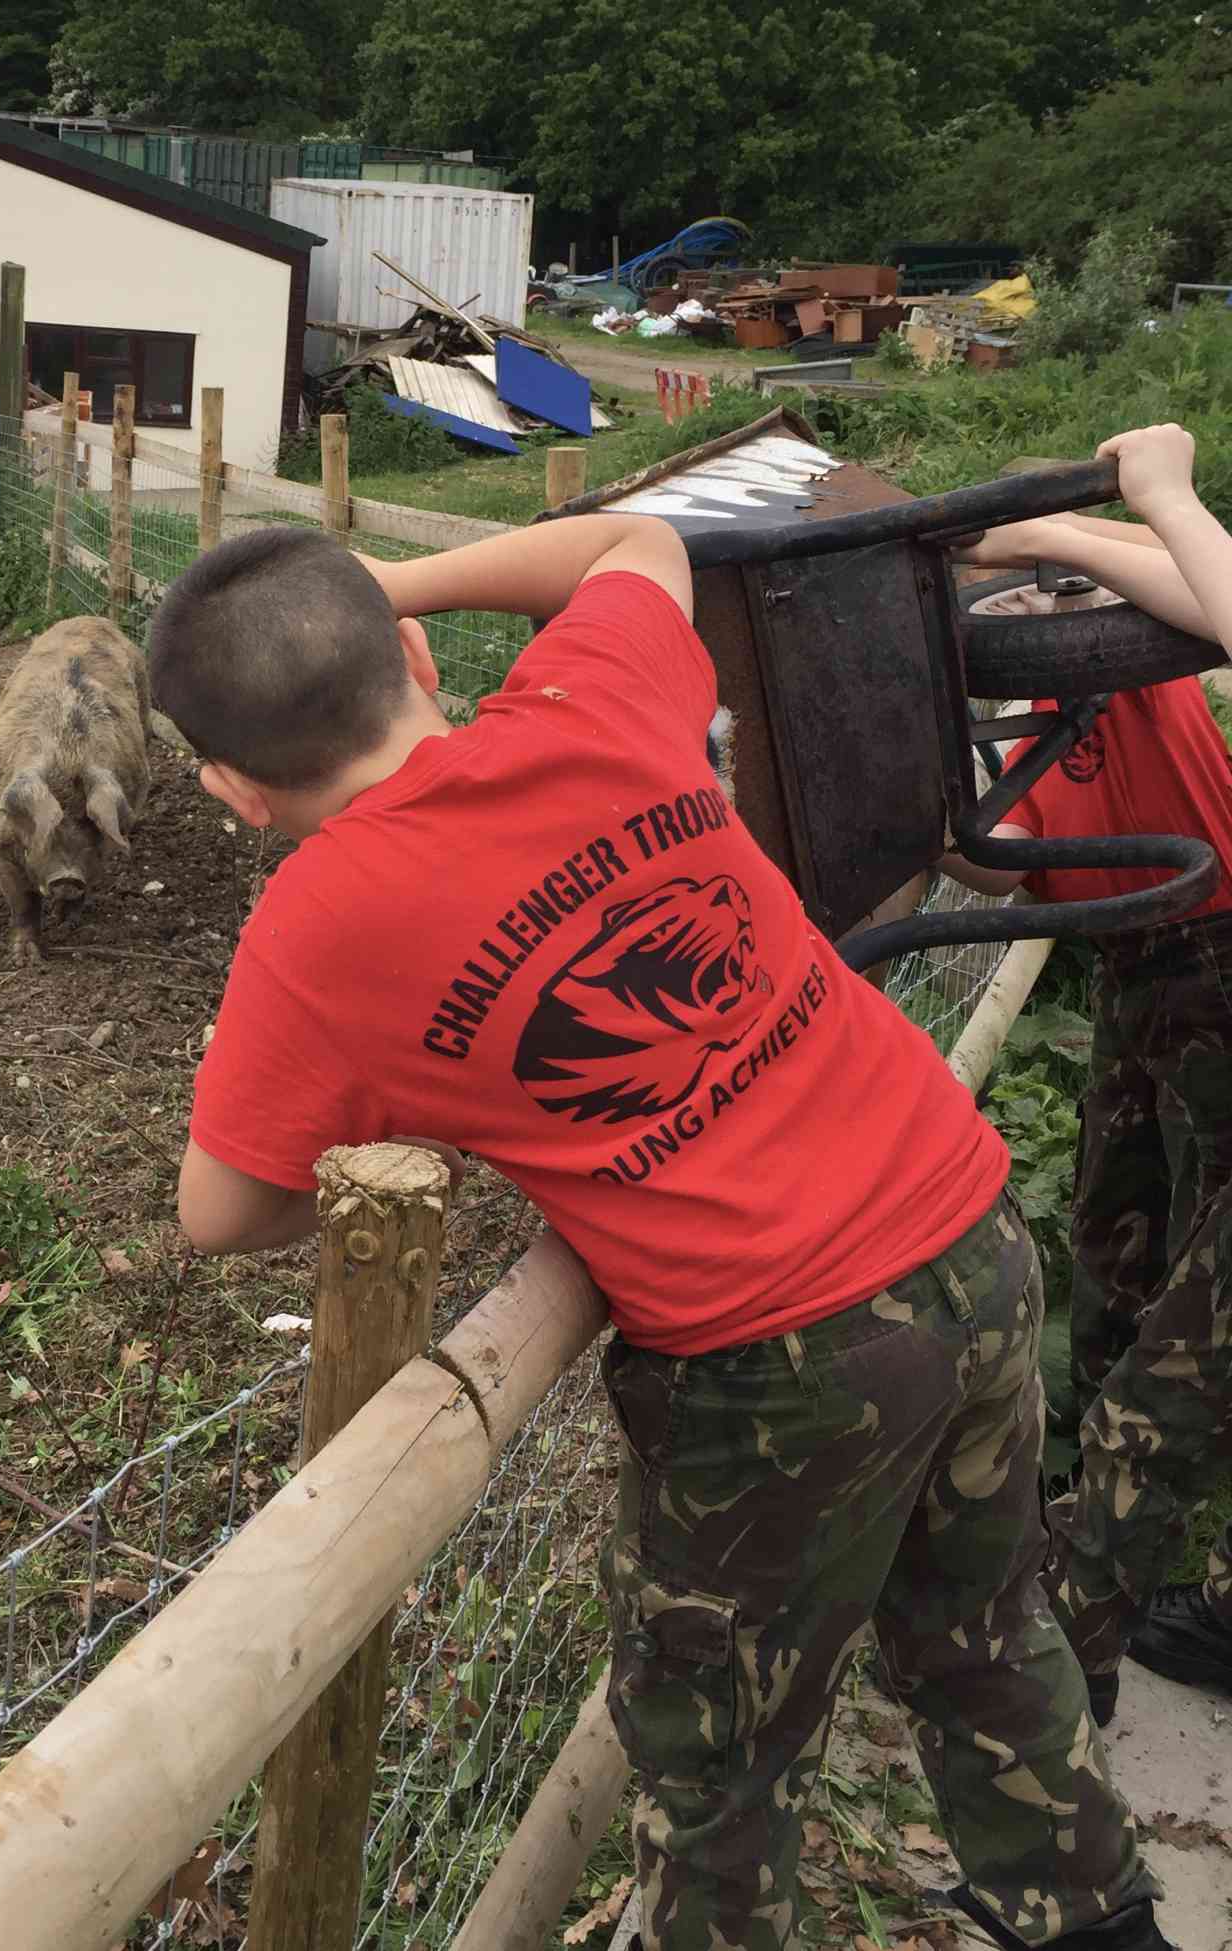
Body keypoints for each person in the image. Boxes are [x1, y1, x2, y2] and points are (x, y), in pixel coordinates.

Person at [148, 509, 1172, 1949]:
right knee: (989, 1627)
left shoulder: (316, 925)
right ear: (419, 656)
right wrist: (399, 575)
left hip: (782, 1366)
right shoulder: (594, 697)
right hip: (967, 1227)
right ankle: (1098, 1922)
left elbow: (218, 1209)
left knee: (722, 1768)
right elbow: (639, 543)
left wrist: (447, 1096)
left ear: (236, 792)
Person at [940, 424, 1232, 1727]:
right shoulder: (1011, 714)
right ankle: (1101, 1556)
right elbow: (1001, 860)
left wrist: (1073, 528)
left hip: (1216, 942)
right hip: (1130, 961)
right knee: (1120, 1241)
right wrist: (930, 817)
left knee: (1192, 1339)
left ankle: (1070, 1641)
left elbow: (1184, 578)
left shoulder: (1134, 636)